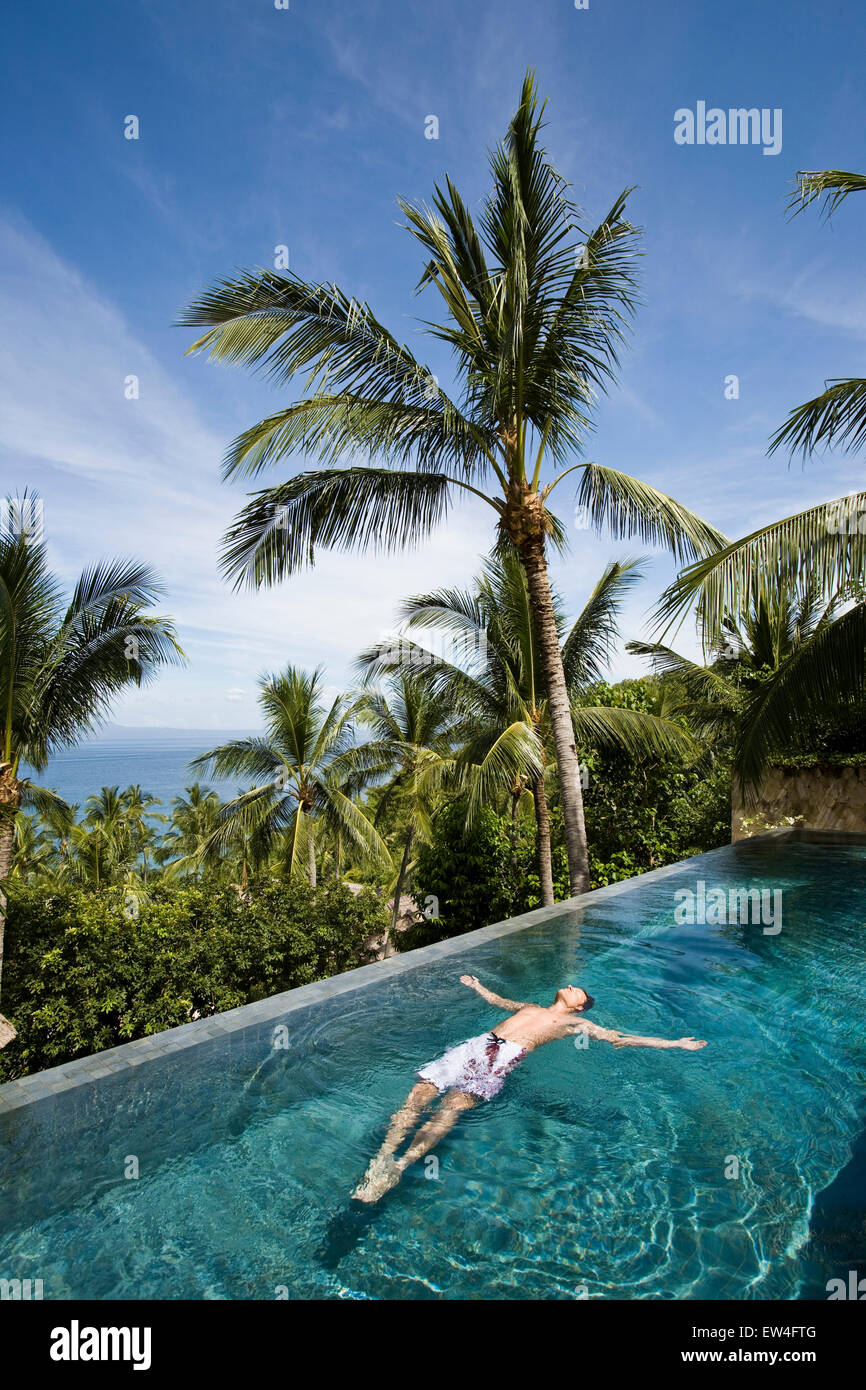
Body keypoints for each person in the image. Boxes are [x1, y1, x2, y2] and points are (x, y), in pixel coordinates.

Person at [352, 973, 707, 1203]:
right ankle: (383, 1156)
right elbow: (498, 1002)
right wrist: (478, 987)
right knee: (419, 1094)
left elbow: (619, 1040)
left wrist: (675, 1044)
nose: (568, 985)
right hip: (476, 1045)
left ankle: (402, 1165)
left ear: (578, 1004)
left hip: (501, 1059)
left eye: (575, 990)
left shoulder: (575, 1023)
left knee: (450, 1110)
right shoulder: (531, 1005)